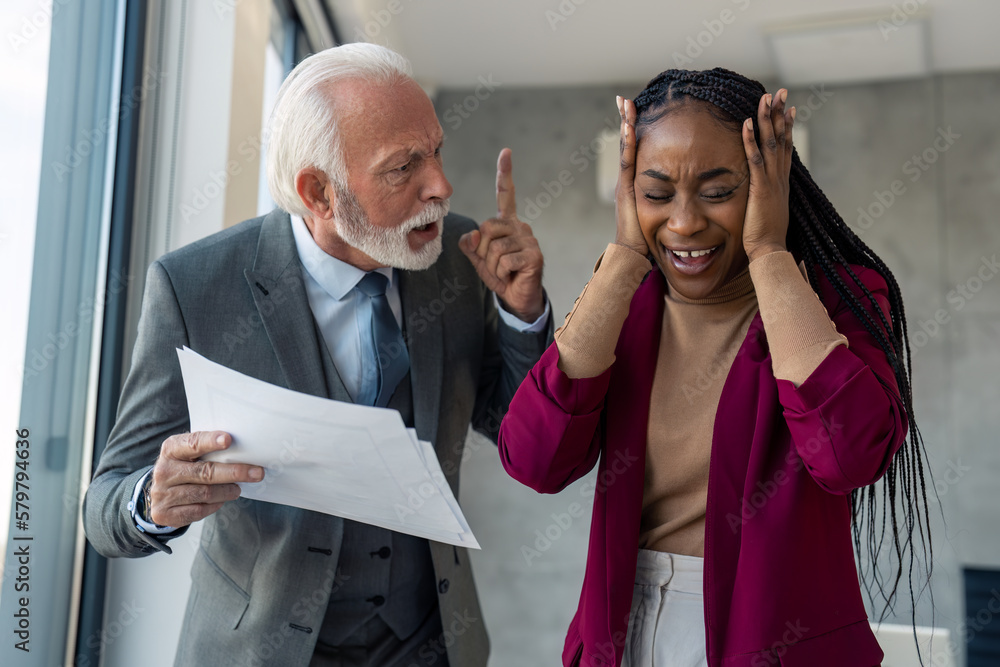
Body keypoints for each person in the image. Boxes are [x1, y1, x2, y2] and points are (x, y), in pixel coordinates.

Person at [83, 43, 552, 667]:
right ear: (319, 192)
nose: (439, 185)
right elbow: (103, 506)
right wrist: (151, 501)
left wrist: (525, 314)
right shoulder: (194, 287)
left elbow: (515, 429)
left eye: (435, 150)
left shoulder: (458, 259)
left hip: (432, 645)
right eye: (402, 166)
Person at [498, 68, 931, 667]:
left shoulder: (840, 296)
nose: (683, 223)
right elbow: (535, 460)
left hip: (767, 639)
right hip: (623, 631)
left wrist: (770, 256)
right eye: (656, 194)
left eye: (717, 190)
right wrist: (623, 259)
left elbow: (849, 456)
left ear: (767, 183)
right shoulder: (628, 304)